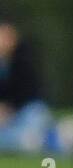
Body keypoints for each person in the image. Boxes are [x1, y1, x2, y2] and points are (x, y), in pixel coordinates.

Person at [0, 15, 52, 153]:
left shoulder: (25, 61)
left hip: (26, 110)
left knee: (34, 119)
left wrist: (10, 109)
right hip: (5, 118)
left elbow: (29, 92)